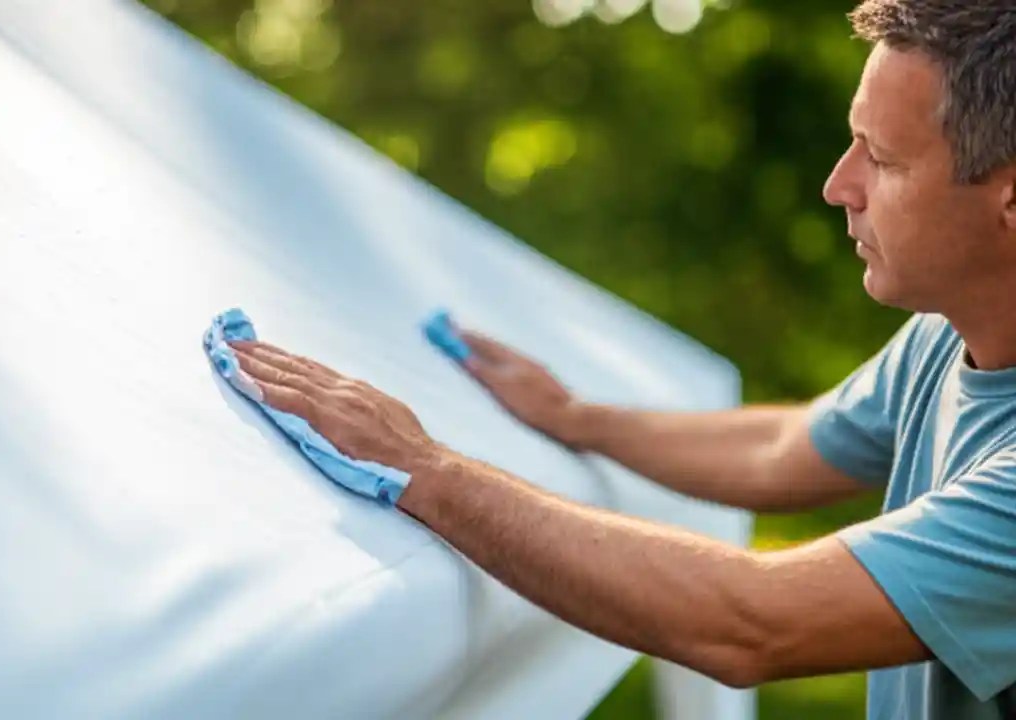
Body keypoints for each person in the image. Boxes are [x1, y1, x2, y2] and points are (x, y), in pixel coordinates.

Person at [227, 1, 1016, 717]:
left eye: (882, 159)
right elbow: (784, 450)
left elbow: (750, 621)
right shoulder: (949, 336)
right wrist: (579, 420)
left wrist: (423, 468)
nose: (838, 186)